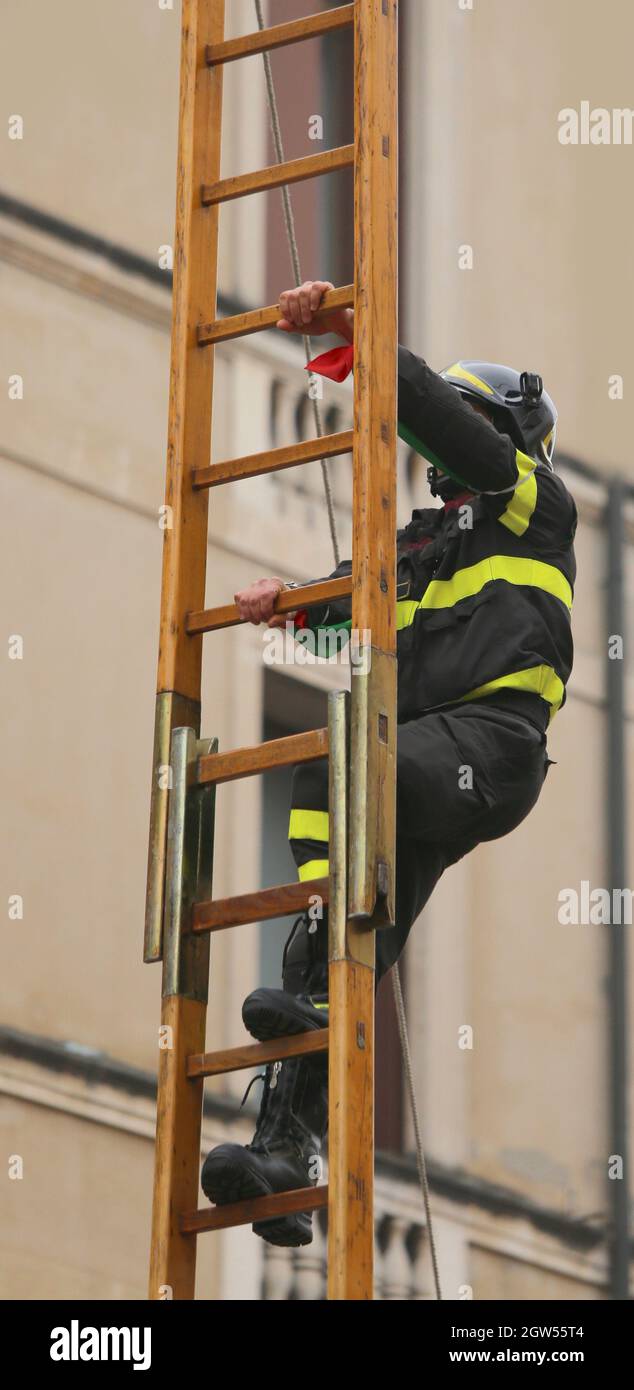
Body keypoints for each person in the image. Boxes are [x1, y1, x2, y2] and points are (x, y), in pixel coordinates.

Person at [201, 281, 578, 1247]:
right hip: (422, 766)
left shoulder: (536, 506)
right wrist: (286, 603)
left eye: (453, 443)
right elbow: (359, 599)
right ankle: (291, 1150)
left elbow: (463, 439)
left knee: (334, 769)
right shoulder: (423, 548)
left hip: (490, 746)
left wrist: (363, 340)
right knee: (348, 952)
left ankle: (319, 961)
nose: (436, 471)